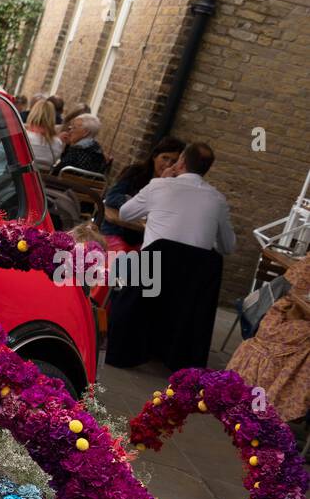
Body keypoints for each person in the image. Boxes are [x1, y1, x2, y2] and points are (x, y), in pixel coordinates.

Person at [105, 142, 236, 370]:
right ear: (207, 169)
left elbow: (125, 213)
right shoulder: (218, 200)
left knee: (125, 271)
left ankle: (124, 343)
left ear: (181, 163)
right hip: (191, 287)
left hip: (153, 274)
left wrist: (163, 182)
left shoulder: (160, 186)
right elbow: (228, 247)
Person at [227, 257, 310, 422]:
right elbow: (298, 296)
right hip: (284, 323)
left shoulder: (303, 266)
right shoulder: (305, 268)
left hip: (269, 318)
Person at [99, 136, 185, 252]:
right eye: (165, 158)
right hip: (118, 230)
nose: (168, 164)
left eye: (173, 161)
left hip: (145, 238)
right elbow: (111, 197)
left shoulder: (176, 185)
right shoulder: (135, 172)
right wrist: (136, 203)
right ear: (155, 156)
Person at [24, 100, 64, 173]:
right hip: (40, 181)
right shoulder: (57, 142)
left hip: (20, 177)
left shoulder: (24, 136)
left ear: (32, 113)